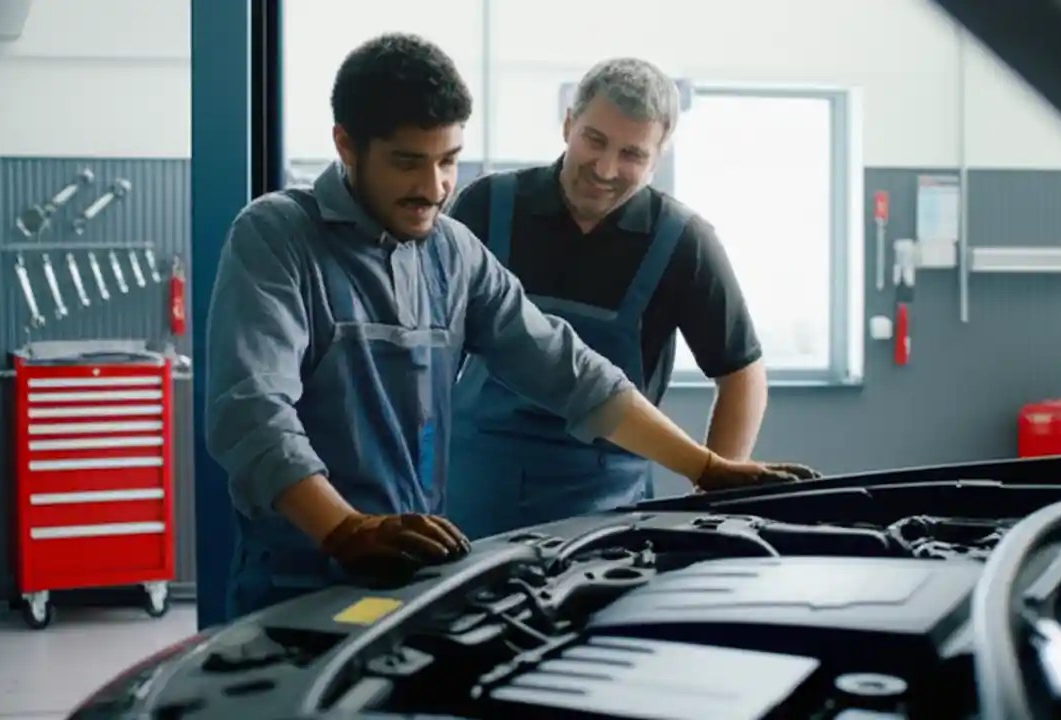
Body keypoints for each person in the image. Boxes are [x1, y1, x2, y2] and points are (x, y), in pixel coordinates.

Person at [204, 33, 816, 621]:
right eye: (407, 163)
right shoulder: (277, 235)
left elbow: (568, 370)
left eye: (448, 161)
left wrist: (705, 467)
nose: (434, 188)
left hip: (412, 570)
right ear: (346, 145)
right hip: (296, 576)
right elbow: (250, 410)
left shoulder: (452, 251)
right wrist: (342, 528)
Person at [444, 57, 795, 540]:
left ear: (660, 154)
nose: (606, 169)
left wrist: (713, 495)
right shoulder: (484, 206)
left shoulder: (683, 241)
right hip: (473, 490)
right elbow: (430, 350)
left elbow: (742, 373)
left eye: (632, 153)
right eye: (594, 140)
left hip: (606, 504)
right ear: (568, 124)